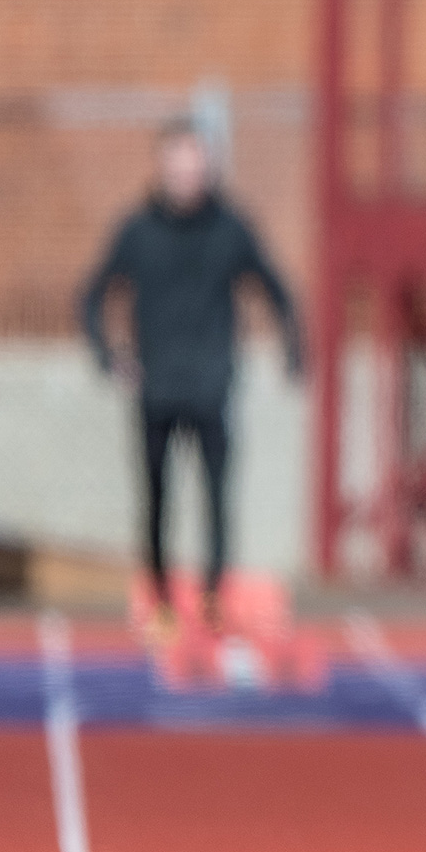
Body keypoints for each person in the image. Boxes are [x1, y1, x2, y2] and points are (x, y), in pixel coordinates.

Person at [80, 118, 302, 635]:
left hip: (210, 385)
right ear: (161, 169)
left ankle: (212, 596)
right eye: (176, 166)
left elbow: (276, 288)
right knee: (156, 497)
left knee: (217, 495)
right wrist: (109, 357)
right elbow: (92, 297)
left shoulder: (231, 227)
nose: (186, 177)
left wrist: (293, 349)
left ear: (208, 169)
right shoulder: (137, 231)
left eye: (195, 166)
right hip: (156, 387)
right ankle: (159, 595)